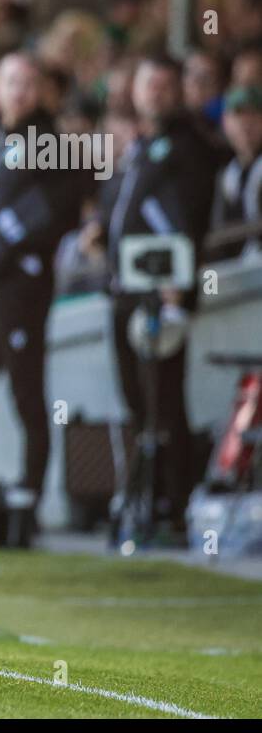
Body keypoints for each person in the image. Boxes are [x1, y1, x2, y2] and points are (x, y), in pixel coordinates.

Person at [80, 54, 218, 542]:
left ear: (177, 91)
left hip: (161, 296)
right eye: (147, 85)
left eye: (164, 85)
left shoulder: (190, 147)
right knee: (138, 403)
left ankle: (172, 507)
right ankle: (145, 500)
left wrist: (176, 285)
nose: (155, 93)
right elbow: (121, 204)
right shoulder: (140, 147)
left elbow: (185, 219)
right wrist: (100, 229)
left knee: (165, 401)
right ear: (134, 91)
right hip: (124, 292)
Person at [0, 52, 81, 544]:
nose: (18, 92)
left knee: (27, 395)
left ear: (41, 89)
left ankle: (29, 504)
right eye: (9, 81)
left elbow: (67, 200)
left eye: (27, 83)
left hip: (18, 293)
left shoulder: (51, 142)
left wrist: (8, 239)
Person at [207, 84, 262, 261]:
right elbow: (217, 234)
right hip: (239, 274)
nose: (246, 123)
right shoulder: (227, 173)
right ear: (225, 123)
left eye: (254, 115)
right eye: (238, 115)